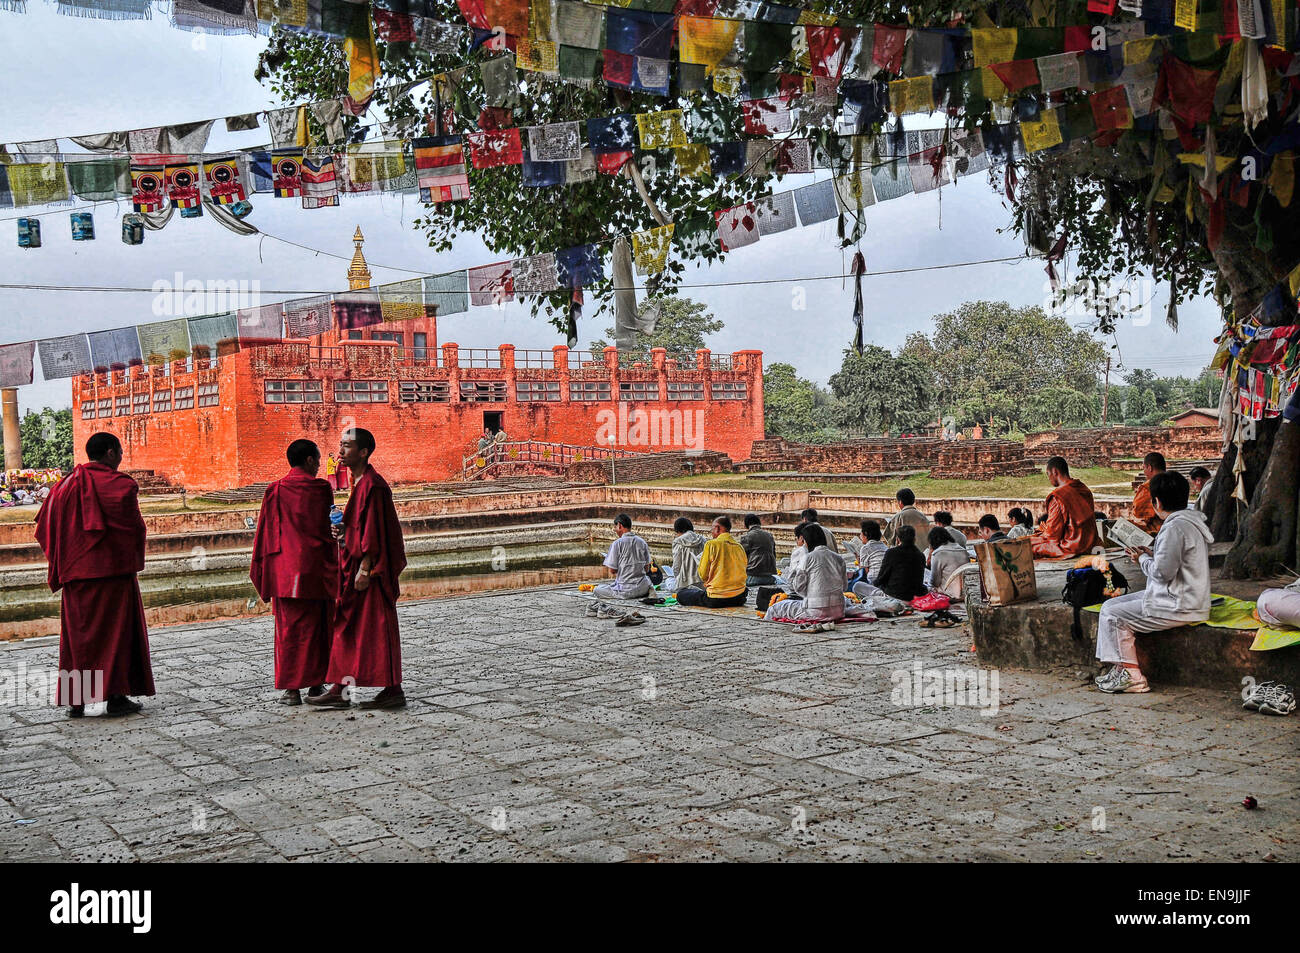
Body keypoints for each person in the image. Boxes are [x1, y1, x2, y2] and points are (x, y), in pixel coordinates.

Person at [34, 432, 154, 718]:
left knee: (80, 638)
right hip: (112, 572)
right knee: (116, 635)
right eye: (121, 451)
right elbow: (133, 529)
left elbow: (45, 529)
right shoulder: (121, 485)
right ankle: (115, 697)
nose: (122, 457)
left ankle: (78, 700)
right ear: (111, 453)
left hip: (77, 576)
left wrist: (63, 562)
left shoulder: (63, 486)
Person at [308, 429, 407, 711]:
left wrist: (366, 569)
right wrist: (343, 530)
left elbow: (375, 533)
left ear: (363, 452)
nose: (341, 450)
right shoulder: (359, 482)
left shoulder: (373, 486)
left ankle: (391, 689)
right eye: (341, 445)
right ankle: (342, 686)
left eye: (348, 446)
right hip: (358, 565)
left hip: (369, 572)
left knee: (374, 629)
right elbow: (360, 527)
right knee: (349, 627)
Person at [1094, 472, 1212, 695]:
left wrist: (1142, 559)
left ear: (1156, 502)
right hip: (1187, 598)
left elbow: (1162, 573)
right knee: (1109, 606)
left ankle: (1132, 676)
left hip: (1180, 605)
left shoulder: (1174, 528)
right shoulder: (1189, 521)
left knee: (1114, 616)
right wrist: (1152, 552)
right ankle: (1120, 667)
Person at [250, 439, 338, 706]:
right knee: (318, 629)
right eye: (318, 460)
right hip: (315, 570)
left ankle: (291, 690)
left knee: (288, 632)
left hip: (285, 573)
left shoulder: (275, 490)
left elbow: (265, 533)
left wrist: (267, 570)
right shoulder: (322, 489)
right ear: (310, 460)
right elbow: (326, 530)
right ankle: (315, 684)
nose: (320, 465)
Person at [764, 524, 872, 624]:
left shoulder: (807, 558)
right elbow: (844, 587)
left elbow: (798, 588)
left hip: (814, 612)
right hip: (839, 611)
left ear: (806, 541)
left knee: (774, 608)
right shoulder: (839, 558)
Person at [1031, 457, 1102, 559]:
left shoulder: (1058, 496)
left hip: (1071, 547)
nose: (1048, 478)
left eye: (1048, 474)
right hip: (1091, 544)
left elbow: (1052, 535)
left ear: (1055, 472)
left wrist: (1043, 532)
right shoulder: (1084, 489)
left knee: (1028, 544)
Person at [676, 516, 748, 608]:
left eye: (712, 529)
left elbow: (703, 574)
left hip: (716, 599)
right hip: (739, 598)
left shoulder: (711, 544)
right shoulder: (739, 547)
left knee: (681, 594)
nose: (711, 532)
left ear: (717, 528)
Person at [593, 514, 651, 601]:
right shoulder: (642, 542)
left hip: (626, 591)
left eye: (615, 527)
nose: (614, 530)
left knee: (597, 589)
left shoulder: (617, 543)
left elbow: (613, 571)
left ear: (620, 525)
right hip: (643, 588)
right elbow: (647, 569)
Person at [865, 524, 928, 602]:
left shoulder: (892, 552)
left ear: (898, 539)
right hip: (914, 596)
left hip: (894, 596)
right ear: (914, 539)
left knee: (857, 586)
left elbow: (881, 578)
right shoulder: (921, 555)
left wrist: (873, 584)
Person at [927, 526, 971, 599]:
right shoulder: (963, 550)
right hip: (965, 594)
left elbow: (935, 583)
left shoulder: (938, 553)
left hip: (949, 594)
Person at [1130, 451, 1167, 534]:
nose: (1144, 472)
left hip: (1155, 533)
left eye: (1144, 468)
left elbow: (1139, 517)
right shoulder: (1175, 482)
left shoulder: (1148, 488)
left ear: (1150, 468)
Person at [739, 513, 779, 586]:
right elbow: (774, 555)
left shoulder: (747, 537)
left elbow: (740, 558)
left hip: (753, 576)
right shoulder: (769, 536)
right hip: (770, 577)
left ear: (746, 525)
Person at [669, 517, 707, 592]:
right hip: (703, 584)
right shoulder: (703, 540)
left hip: (684, 584)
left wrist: (677, 578)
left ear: (677, 531)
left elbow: (676, 567)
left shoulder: (678, 541)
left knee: (669, 580)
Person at [851, 519, 888, 586]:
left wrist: (858, 560)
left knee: (856, 586)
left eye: (861, 533)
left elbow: (864, 572)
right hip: (886, 582)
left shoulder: (865, 548)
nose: (860, 535)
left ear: (866, 534)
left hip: (873, 582)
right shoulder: (884, 546)